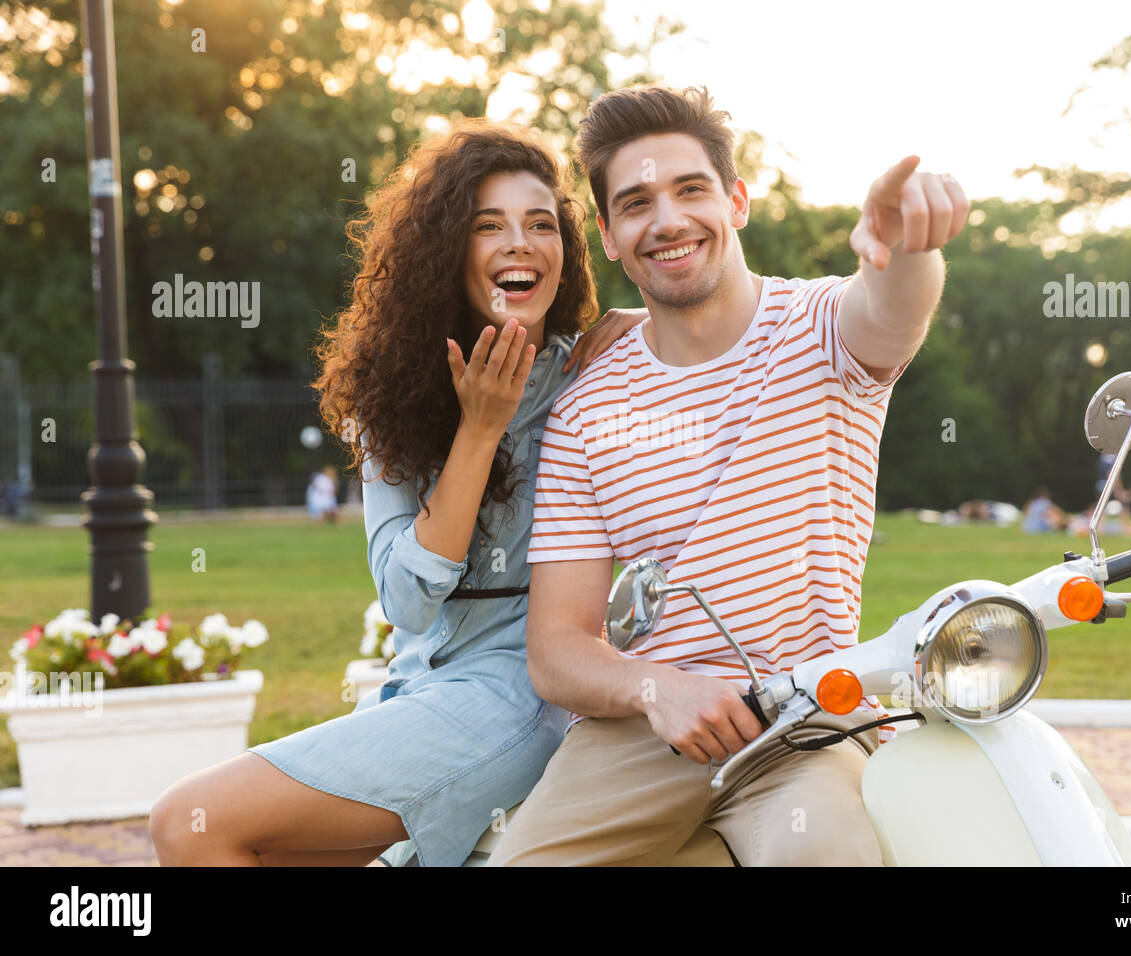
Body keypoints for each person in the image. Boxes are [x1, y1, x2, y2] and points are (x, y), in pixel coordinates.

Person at [487, 86, 969, 866]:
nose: (668, 220)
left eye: (690, 190)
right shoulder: (583, 411)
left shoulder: (820, 330)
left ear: (737, 200)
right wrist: (657, 689)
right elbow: (556, 648)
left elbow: (893, 310)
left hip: (803, 727)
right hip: (640, 738)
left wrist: (904, 245)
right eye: (636, 203)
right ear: (608, 236)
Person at [149, 121, 640, 866]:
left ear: (566, 251)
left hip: (521, 699)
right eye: (489, 226)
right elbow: (407, 601)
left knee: (191, 819)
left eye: (542, 225)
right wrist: (478, 430)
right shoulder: (392, 399)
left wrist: (640, 319)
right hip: (419, 687)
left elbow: (707, 336)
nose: (521, 243)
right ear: (448, 251)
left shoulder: (592, 374)